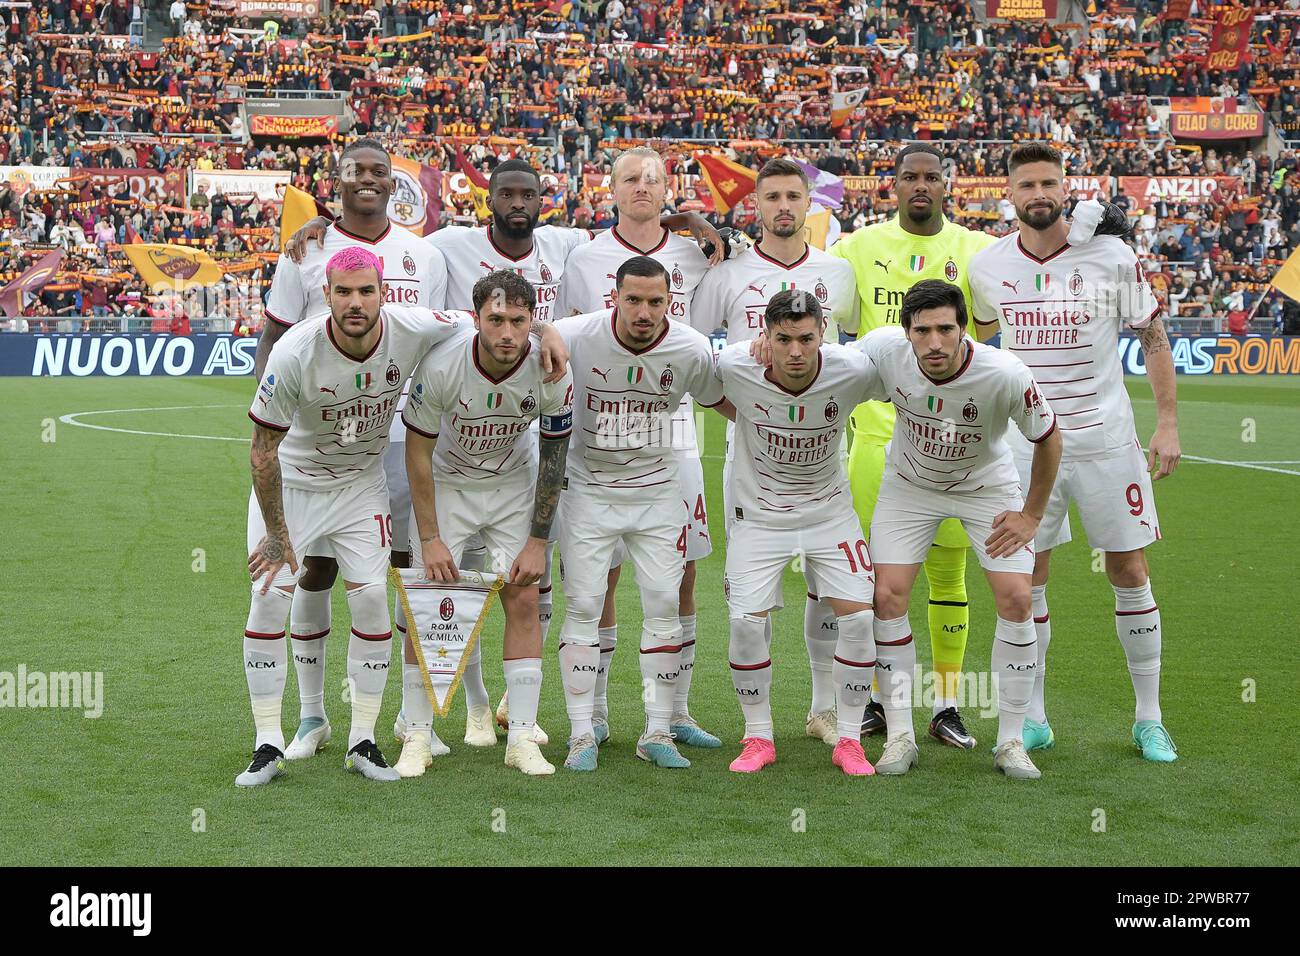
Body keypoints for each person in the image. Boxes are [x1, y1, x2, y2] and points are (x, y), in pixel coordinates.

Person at [969, 142, 1180, 763]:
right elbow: (980, 349)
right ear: (1008, 195)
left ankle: (1149, 718)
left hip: (1108, 441)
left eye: (1049, 183)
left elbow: (1153, 337)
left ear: (1066, 189)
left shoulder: (1111, 255)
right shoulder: (988, 266)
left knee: (1130, 571)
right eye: (1026, 184)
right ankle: (1032, 717)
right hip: (1026, 449)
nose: (1038, 194)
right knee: (1027, 579)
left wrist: (1166, 422)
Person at [237, 248, 466, 787]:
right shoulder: (295, 352)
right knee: (270, 596)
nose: (355, 302)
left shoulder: (413, 327)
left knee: (368, 596)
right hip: (293, 485)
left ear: (384, 291)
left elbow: (473, 322)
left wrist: (546, 335)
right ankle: (267, 741)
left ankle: (362, 739)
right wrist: (276, 533)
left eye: (366, 290)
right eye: (344, 292)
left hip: (360, 486)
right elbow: (262, 451)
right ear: (327, 295)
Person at [254, 137, 449, 762]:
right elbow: (276, 336)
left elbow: (446, 336)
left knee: (399, 572)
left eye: (378, 172)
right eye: (353, 171)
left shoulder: (424, 253)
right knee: (314, 569)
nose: (366, 180)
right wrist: (265, 417)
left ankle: (409, 719)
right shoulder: (307, 250)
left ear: (396, 184)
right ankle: (312, 716)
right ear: (334, 181)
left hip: (400, 436)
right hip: (316, 436)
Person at [857, 279, 1062, 779]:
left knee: (1016, 598)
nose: (934, 342)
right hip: (910, 487)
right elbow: (824, 362)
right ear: (905, 331)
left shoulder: (1005, 373)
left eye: (945, 329)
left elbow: (1049, 437)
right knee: (888, 597)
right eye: (922, 330)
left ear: (964, 329)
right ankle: (901, 735)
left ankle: (1012, 742)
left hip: (986, 488)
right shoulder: (883, 351)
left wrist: (1031, 515)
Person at [689, 157, 861, 745]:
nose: (784, 206)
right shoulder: (728, 271)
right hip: (752, 456)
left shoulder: (838, 272)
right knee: (750, 599)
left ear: (809, 203)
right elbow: (695, 354)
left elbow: (855, 353)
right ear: (755, 206)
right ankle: (756, 729)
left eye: (794, 196)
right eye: (772, 197)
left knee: (826, 585)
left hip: (822, 449)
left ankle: (823, 708)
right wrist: (746, 412)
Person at [555, 146, 722, 748]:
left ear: (666, 188)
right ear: (612, 188)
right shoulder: (585, 258)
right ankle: (594, 714)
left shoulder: (694, 252)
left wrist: (702, 225)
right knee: (599, 578)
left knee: (680, 574)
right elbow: (563, 343)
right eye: (630, 179)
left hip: (672, 425)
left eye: (653, 180)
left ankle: (673, 710)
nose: (642, 188)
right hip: (600, 431)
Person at [397, 269, 573, 778]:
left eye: (519, 321)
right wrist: (429, 537)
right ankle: (419, 734)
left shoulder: (551, 367)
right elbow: (418, 454)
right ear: (475, 318)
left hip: (512, 487)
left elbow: (554, 456)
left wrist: (538, 541)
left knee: (522, 596)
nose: (507, 333)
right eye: (495, 320)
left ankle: (520, 738)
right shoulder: (444, 362)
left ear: (532, 321)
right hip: (448, 484)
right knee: (428, 605)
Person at [710, 290, 883, 776]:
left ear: (823, 334)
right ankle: (758, 737)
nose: (795, 351)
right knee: (746, 622)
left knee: (859, 620)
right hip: (760, 518)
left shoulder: (852, 369)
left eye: (806, 338)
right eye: (782, 339)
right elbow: (696, 372)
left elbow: (897, 350)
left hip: (830, 516)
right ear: (765, 335)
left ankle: (848, 738)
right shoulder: (735, 366)